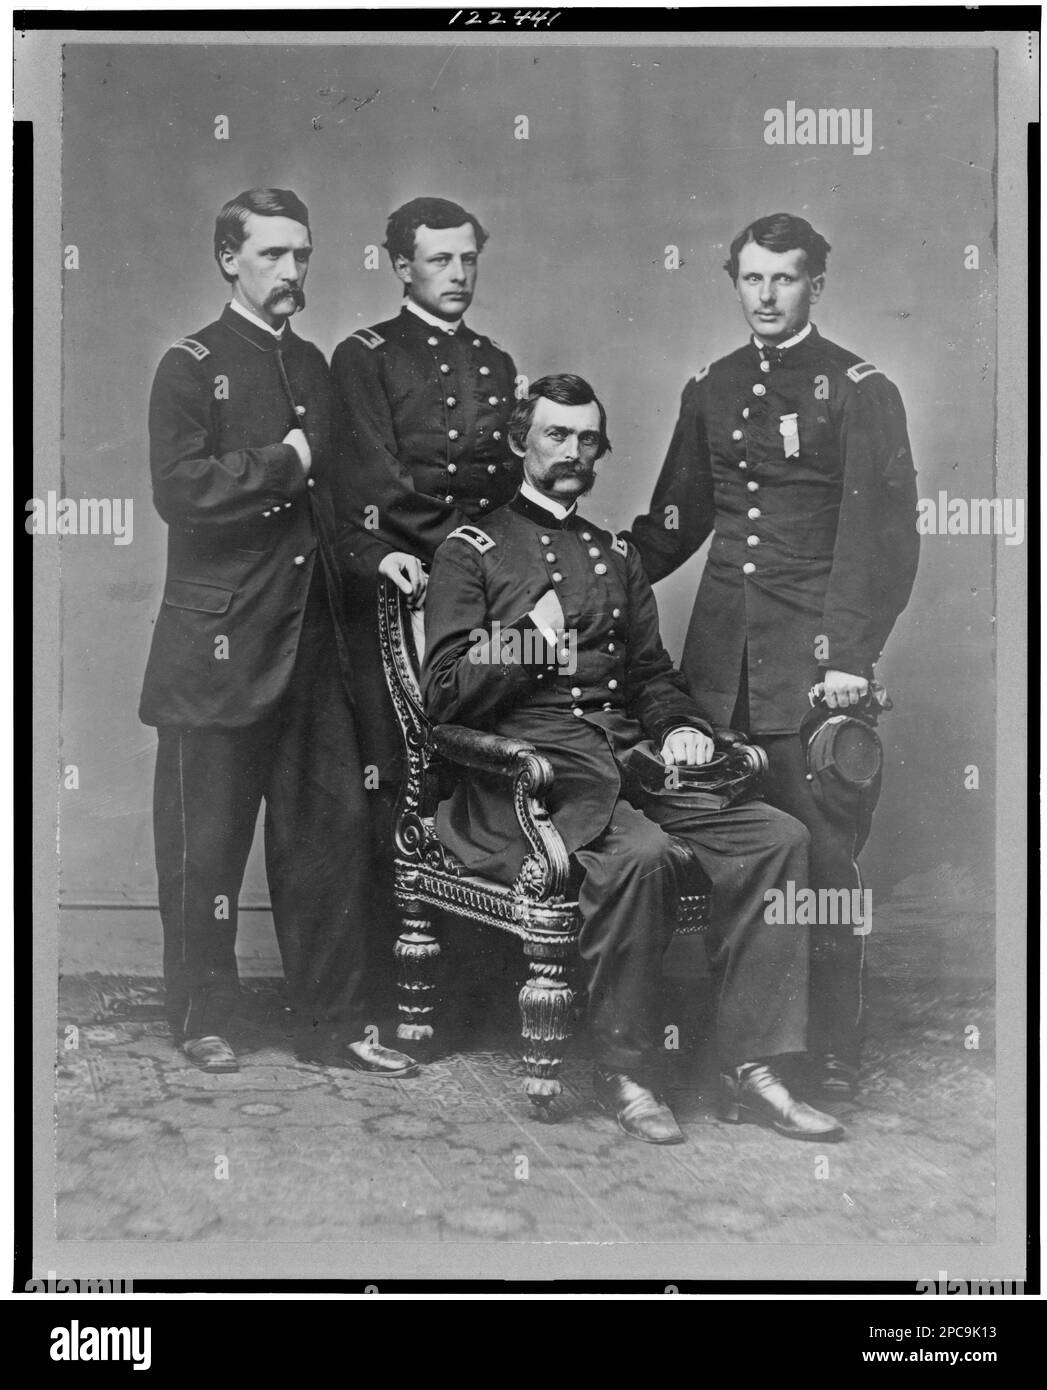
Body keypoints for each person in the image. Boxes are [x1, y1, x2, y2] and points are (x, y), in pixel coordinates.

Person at [421, 374, 846, 1146]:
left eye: (587, 439)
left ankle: (753, 1068)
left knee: (777, 837)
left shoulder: (612, 553)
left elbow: (651, 675)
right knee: (642, 857)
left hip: (631, 765)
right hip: (529, 781)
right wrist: (526, 642)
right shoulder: (469, 550)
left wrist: (681, 725)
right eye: (554, 435)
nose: (571, 453)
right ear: (521, 441)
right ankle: (629, 1071)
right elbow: (442, 694)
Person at [628, 213, 920, 1100]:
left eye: (783, 279)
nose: (764, 295)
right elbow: (673, 523)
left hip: (812, 667)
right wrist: (577, 570)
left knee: (822, 867)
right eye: (750, 279)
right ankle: (737, 1044)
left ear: (814, 287)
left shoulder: (859, 388)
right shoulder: (709, 386)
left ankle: (827, 1047)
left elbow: (884, 538)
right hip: (720, 664)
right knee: (737, 855)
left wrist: (851, 655)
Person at [140, 187, 423, 1076]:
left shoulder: (313, 368)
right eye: (272, 255)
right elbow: (182, 489)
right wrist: (285, 462)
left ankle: (334, 1023)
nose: (292, 271)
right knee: (205, 850)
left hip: (312, 648)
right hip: (217, 653)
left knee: (327, 842)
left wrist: (375, 557)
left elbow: (337, 507)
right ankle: (203, 1016)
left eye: (302, 255)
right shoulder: (188, 366)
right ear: (230, 258)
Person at [330, 196, 520, 1012]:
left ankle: (482, 980)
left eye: (467, 260)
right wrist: (459, 564)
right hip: (407, 588)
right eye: (439, 261)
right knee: (401, 776)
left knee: (492, 763)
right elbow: (375, 484)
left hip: (481, 594)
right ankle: (392, 986)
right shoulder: (364, 356)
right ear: (400, 266)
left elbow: (508, 488)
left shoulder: (496, 362)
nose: (457, 275)